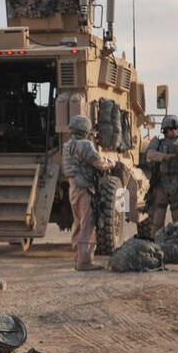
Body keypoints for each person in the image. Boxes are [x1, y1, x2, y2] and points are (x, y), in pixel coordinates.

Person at [61, 114, 116, 270]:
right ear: (85, 130)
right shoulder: (85, 145)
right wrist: (112, 163)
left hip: (73, 187)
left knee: (78, 223)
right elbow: (98, 162)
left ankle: (78, 258)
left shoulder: (67, 145)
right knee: (88, 224)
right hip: (85, 188)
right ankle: (85, 261)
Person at [144, 114, 178, 236]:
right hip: (161, 184)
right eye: (170, 129)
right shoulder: (157, 142)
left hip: (177, 184)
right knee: (157, 221)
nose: (173, 131)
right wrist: (165, 157)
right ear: (165, 130)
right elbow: (150, 154)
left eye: (176, 129)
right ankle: (156, 245)